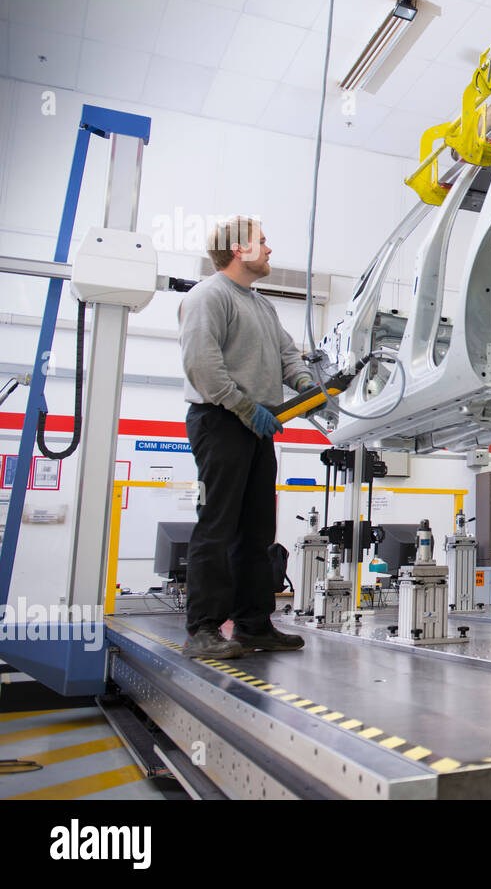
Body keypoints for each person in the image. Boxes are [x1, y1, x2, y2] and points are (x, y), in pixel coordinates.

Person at [178, 216, 313, 659]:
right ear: (238, 249)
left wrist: (310, 387)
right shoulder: (208, 296)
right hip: (221, 423)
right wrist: (245, 408)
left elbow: (287, 354)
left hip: (258, 426)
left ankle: (254, 625)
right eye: (262, 240)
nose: (269, 249)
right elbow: (203, 367)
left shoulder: (261, 305)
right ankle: (203, 630)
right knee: (216, 527)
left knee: (256, 531)